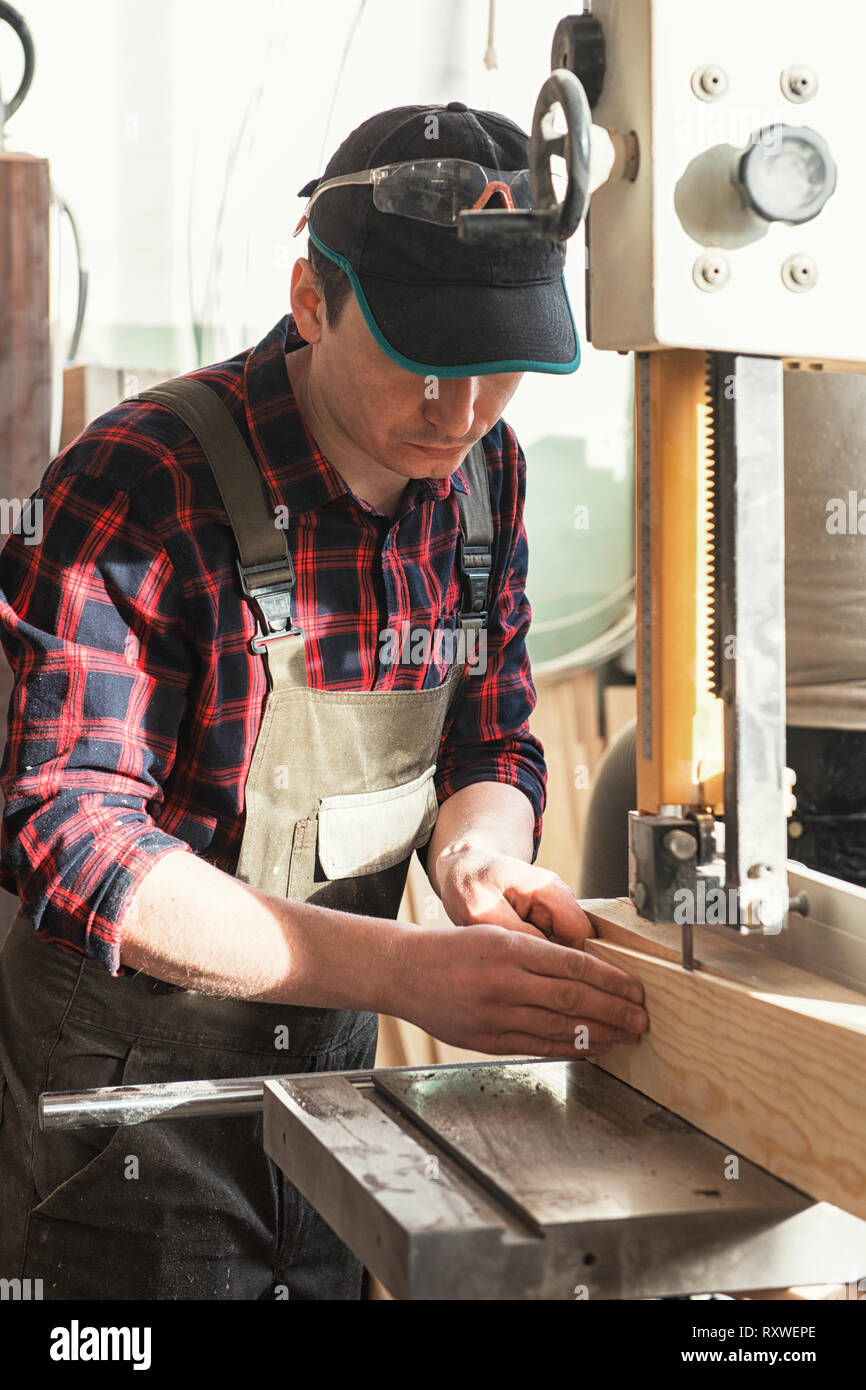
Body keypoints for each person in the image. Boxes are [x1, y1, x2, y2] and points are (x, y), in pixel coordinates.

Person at [0, 102, 647, 1300]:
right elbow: (72, 837)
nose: (458, 414)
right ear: (311, 300)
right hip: (124, 1118)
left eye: (494, 368)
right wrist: (402, 972)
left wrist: (477, 861)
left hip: (335, 1098)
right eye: (420, 361)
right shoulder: (141, 478)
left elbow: (489, 738)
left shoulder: (480, 480)